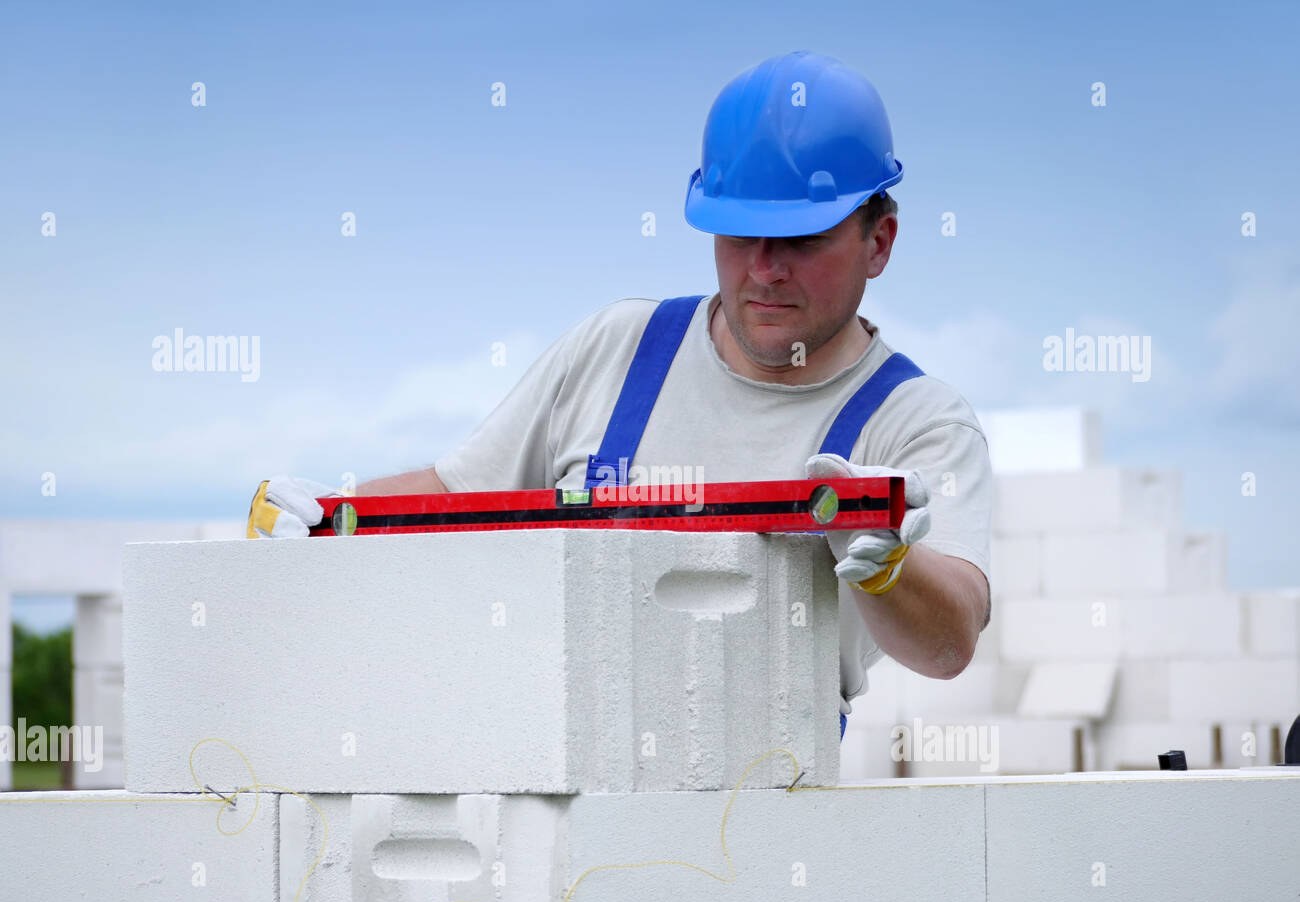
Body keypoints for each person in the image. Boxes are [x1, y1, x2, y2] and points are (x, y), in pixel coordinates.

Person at [247, 51, 993, 738]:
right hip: (560, 774)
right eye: (737, 234)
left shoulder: (919, 423)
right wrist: (333, 521)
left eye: (801, 239)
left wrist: (892, 567)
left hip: (764, 810)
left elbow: (950, 640)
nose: (764, 269)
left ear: (880, 241)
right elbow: (452, 495)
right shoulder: (621, 347)